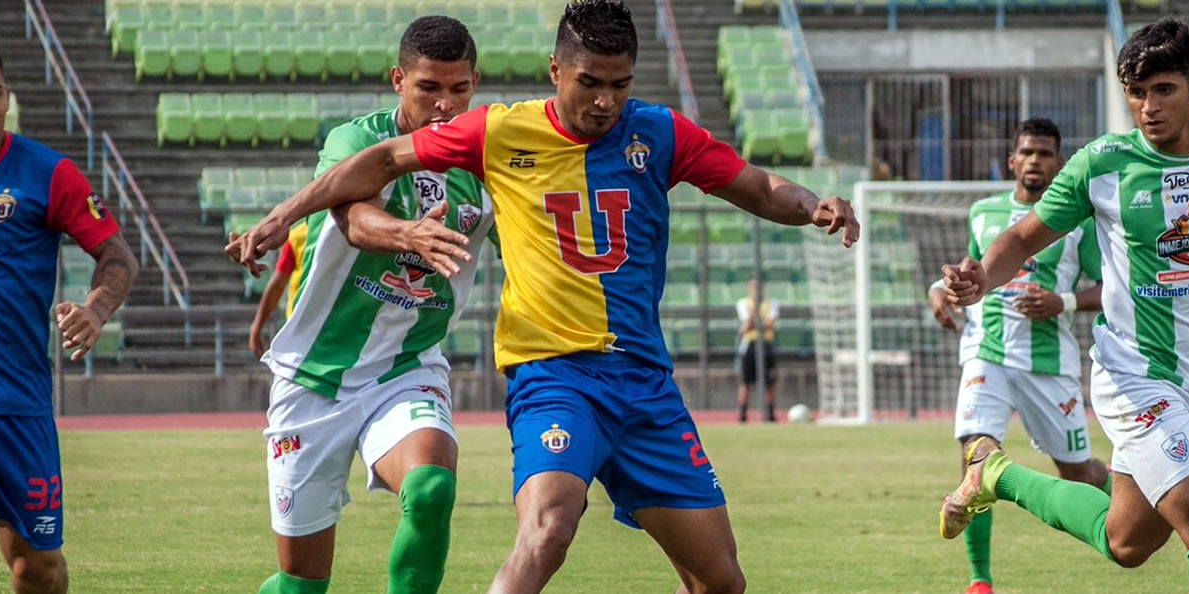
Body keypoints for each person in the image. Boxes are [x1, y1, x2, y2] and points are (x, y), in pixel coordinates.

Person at [226, 2, 858, 592]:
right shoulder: (498, 135)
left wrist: (813, 205)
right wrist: (283, 216)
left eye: (621, 84)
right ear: (556, 70)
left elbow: (757, 186)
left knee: (722, 581)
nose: (606, 101)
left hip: (642, 382)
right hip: (552, 376)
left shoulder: (660, 134)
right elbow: (377, 169)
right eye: (590, 82)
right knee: (547, 529)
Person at [938, 18, 1189, 594]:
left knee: (1124, 541)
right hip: (1131, 373)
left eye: (1163, 90)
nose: (1147, 106)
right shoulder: (1102, 163)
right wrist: (982, 275)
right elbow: (1025, 237)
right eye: (1135, 92)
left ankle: (995, 473)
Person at [246, 17, 493, 594]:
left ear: (476, 82)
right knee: (302, 583)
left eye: (459, 89)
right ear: (398, 80)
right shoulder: (355, 141)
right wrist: (409, 234)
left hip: (408, 367)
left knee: (431, 489)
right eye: (429, 87)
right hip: (315, 374)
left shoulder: (488, 161)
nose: (444, 105)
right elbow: (352, 218)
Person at [0, 34, 137, 593]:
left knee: (37, 568)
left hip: (17, 401)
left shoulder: (49, 174)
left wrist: (97, 308)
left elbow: (118, 255)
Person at [929, 118, 1109, 594]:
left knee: (1079, 473)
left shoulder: (1077, 223)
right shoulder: (983, 213)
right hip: (987, 352)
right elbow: (972, 271)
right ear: (1012, 160)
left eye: (1045, 154)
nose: (1035, 161)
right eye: (1027, 152)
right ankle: (980, 580)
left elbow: (1111, 286)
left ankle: (1129, 496)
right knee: (975, 455)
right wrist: (939, 290)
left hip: (1050, 363)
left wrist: (1064, 302)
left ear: (1059, 162)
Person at [247, 223, 307, 359]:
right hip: (298, 333)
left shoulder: (354, 235)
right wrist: (257, 326)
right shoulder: (297, 237)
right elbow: (277, 286)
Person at [735, 278, 778, 423]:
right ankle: (743, 413)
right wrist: (755, 312)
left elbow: (770, 324)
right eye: (754, 288)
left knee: (769, 381)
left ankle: (771, 413)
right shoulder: (743, 303)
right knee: (746, 381)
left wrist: (754, 324)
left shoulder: (772, 303)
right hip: (750, 345)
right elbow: (747, 325)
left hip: (766, 345)